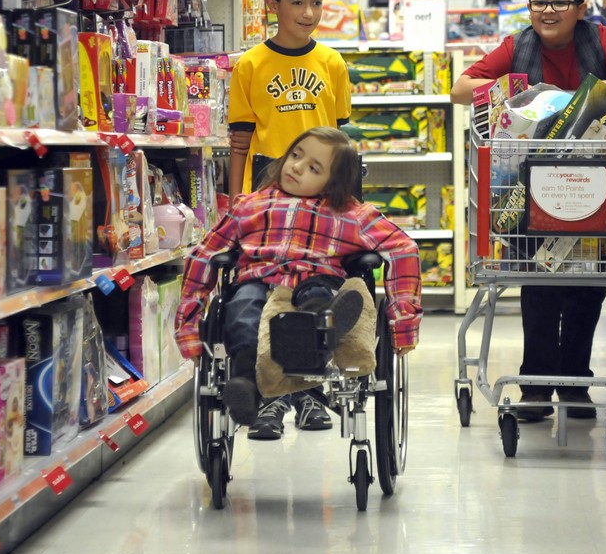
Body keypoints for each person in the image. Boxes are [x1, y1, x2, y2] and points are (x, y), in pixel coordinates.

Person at [450, 0, 606, 421]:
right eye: (539, 3)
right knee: (539, 283)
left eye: (560, 3)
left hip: (601, 188)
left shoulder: (602, 41)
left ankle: (576, 382)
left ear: (580, 8)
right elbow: (460, 89)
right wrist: (521, 92)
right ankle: (536, 383)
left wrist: (580, 95)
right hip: (532, 189)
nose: (548, 11)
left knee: (587, 285)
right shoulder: (517, 46)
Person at [174, 128, 422, 430]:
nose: (296, 167)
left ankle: (317, 329)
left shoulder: (351, 214)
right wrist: (189, 328)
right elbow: (203, 255)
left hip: (318, 279)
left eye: (313, 168)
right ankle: (247, 385)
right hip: (259, 282)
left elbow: (403, 248)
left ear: (333, 183)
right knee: (243, 311)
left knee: (319, 295)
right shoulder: (250, 205)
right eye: (295, 155)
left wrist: (403, 323)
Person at [226, 0, 353, 438]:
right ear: (273, 6)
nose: (309, 12)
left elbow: (340, 138)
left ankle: (309, 395)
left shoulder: (332, 63)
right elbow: (240, 139)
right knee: (265, 288)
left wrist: (346, 197)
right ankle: (266, 399)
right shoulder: (251, 64)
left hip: (323, 182)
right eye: (297, 2)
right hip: (267, 179)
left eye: (317, 2)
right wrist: (236, 199)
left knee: (313, 286)